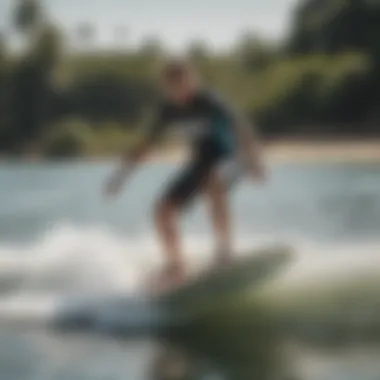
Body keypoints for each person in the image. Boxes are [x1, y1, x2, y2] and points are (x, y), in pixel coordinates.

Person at [104, 59, 266, 288]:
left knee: (214, 182)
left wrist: (255, 160)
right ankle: (175, 265)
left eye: (184, 82)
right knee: (163, 209)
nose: (180, 89)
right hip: (201, 163)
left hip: (231, 159)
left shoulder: (209, 102)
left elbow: (241, 127)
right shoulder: (167, 111)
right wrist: (120, 176)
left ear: (192, 80)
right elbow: (146, 146)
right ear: (166, 86)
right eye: (173, 85)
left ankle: (224, 251)